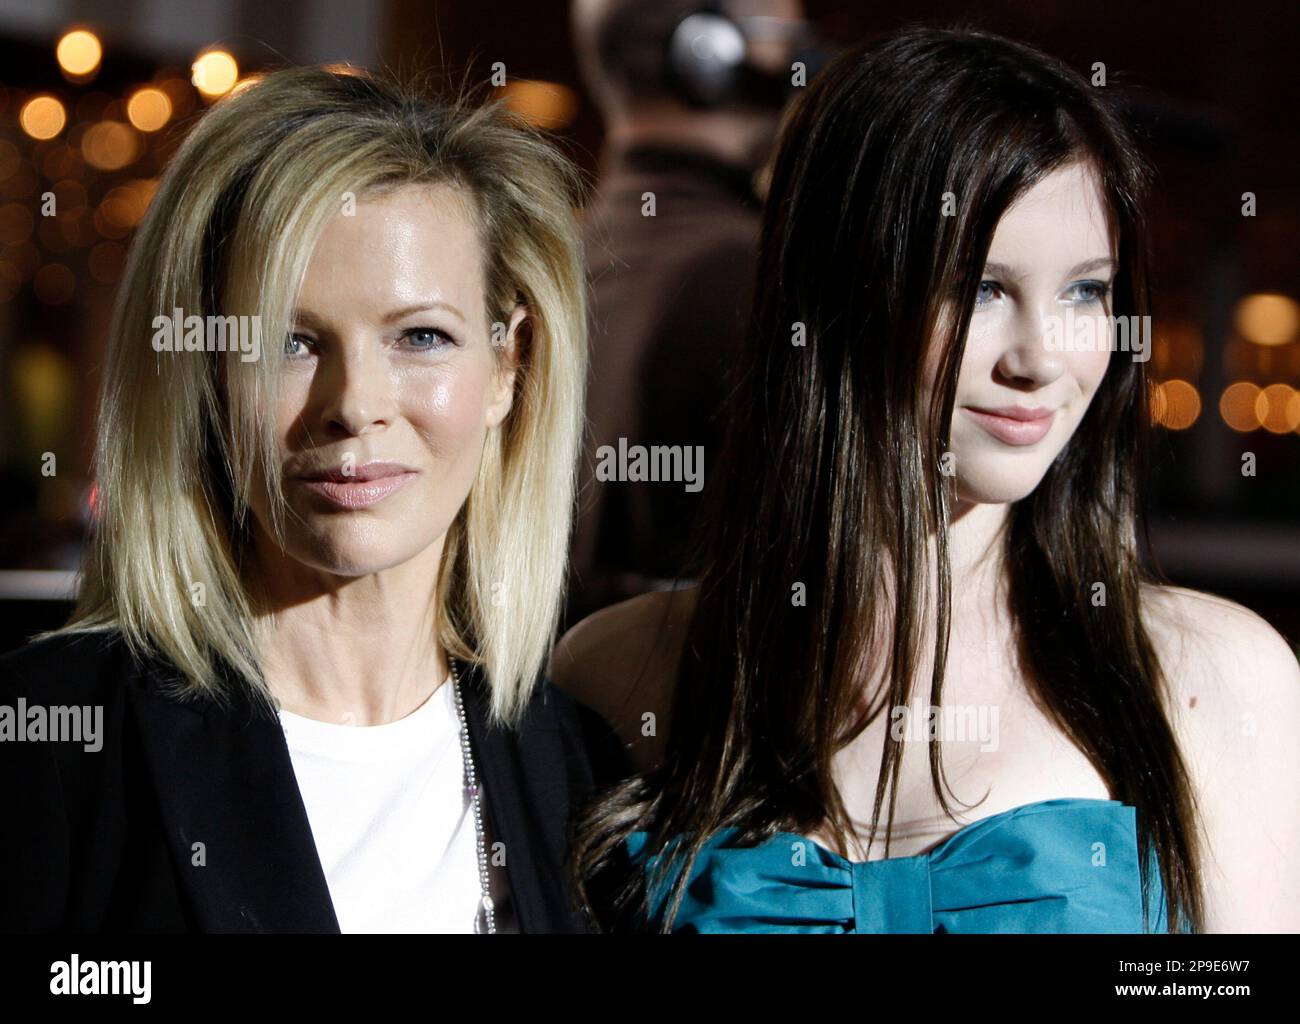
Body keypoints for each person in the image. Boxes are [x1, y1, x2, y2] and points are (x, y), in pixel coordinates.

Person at [552, 28, 1300, 933]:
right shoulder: (620, 673)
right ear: (840, 297)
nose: (1041, 358)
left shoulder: (1213, 681)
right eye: (981, 287)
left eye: (1087, 293)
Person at [0, 66, 624, 933]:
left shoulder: (584, 771)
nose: (354, 402)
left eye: (420, 336)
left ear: (508, 368)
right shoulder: (48, 743)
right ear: (204, 376)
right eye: (288, 342)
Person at [566, 0, 818, 622]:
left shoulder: (547, 259)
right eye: (779, 27)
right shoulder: (767, 276)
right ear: (707, 51)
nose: (799, 50)